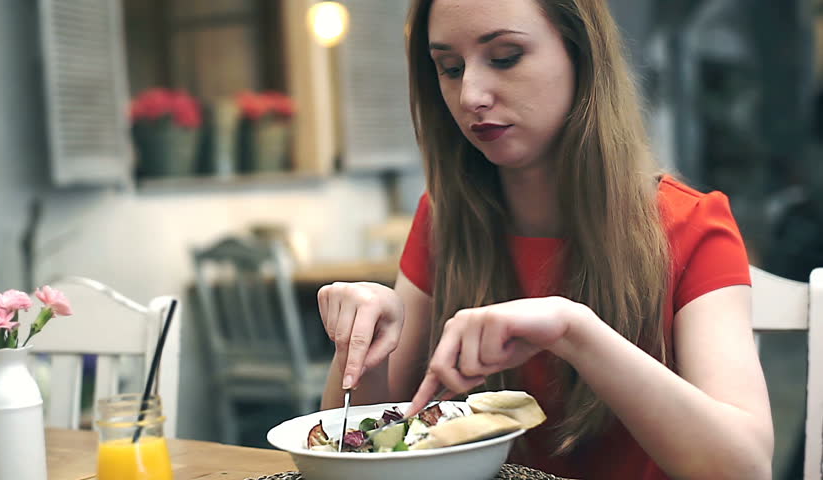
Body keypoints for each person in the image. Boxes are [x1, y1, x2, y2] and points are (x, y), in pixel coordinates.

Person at [317, 1, 773, 478]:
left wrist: (575, 332)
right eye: (450, 68)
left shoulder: (691, 225)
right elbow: (356, 452)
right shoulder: (445, 218)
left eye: (505, 57)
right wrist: (364, 347)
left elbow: (744, 468)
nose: (470, 94)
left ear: (581, 54)